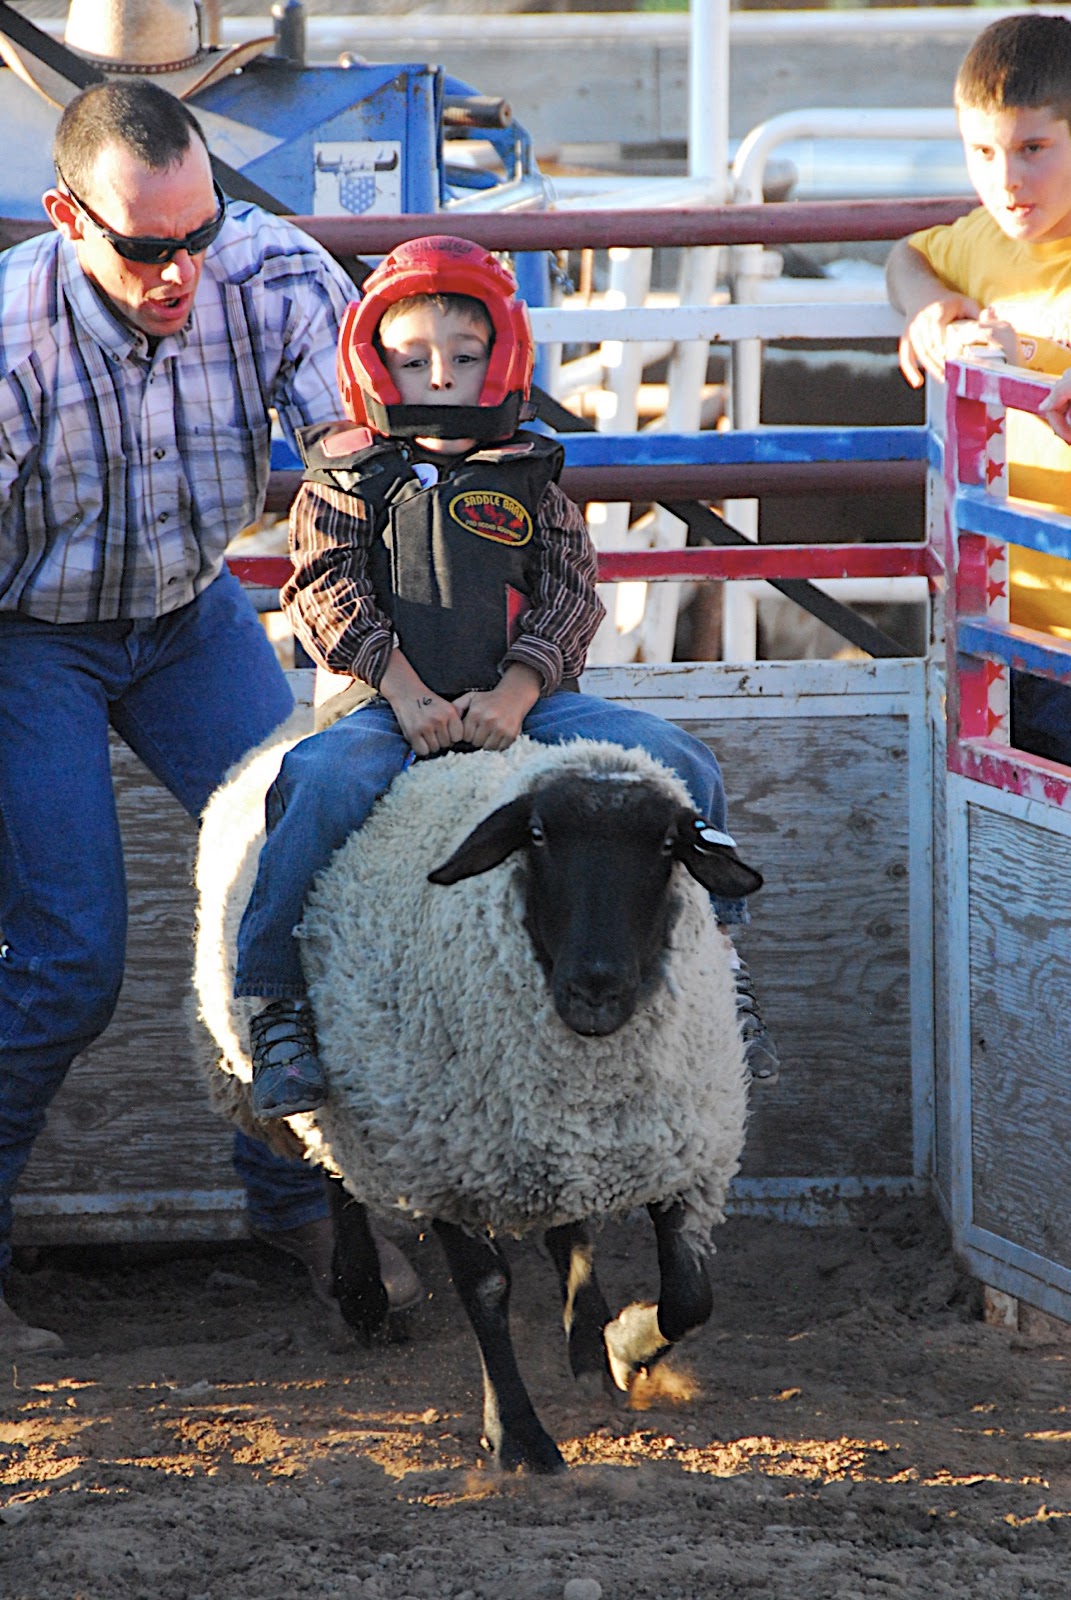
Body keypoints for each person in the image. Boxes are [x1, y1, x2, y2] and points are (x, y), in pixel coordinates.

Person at [0, 78, 418, 1359]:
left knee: (316, 872)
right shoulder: (10, 342)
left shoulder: (274, 273)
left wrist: (399, 647)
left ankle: (303, 1209)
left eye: (200, 231)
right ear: (69, 219)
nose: (181, 268)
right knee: (69, 956)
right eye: (145, 246)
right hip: (26, 636)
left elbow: (362, 473)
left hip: (188, 614)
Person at [234, 234, 780, 1120]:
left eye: (464, 355)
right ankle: (275, 999)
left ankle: (723, 968)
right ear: (377, 363)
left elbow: (571, 593)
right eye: (413, 360)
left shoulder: (529, 478)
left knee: (679, 762)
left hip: (528, 703)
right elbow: (324, 588)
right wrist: (404, 694)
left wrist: (517, 694)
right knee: (318, 781)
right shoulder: (345, 477)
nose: (439, 375)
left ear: (502, 359)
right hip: (386, 702)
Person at [886, 11, 1071, 763]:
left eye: (1033, 148)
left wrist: (1021, 350)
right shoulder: (983, 242)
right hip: (1002, 619)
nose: (1007, 180)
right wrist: (926, 306)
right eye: (983, 151)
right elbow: (905, 253)